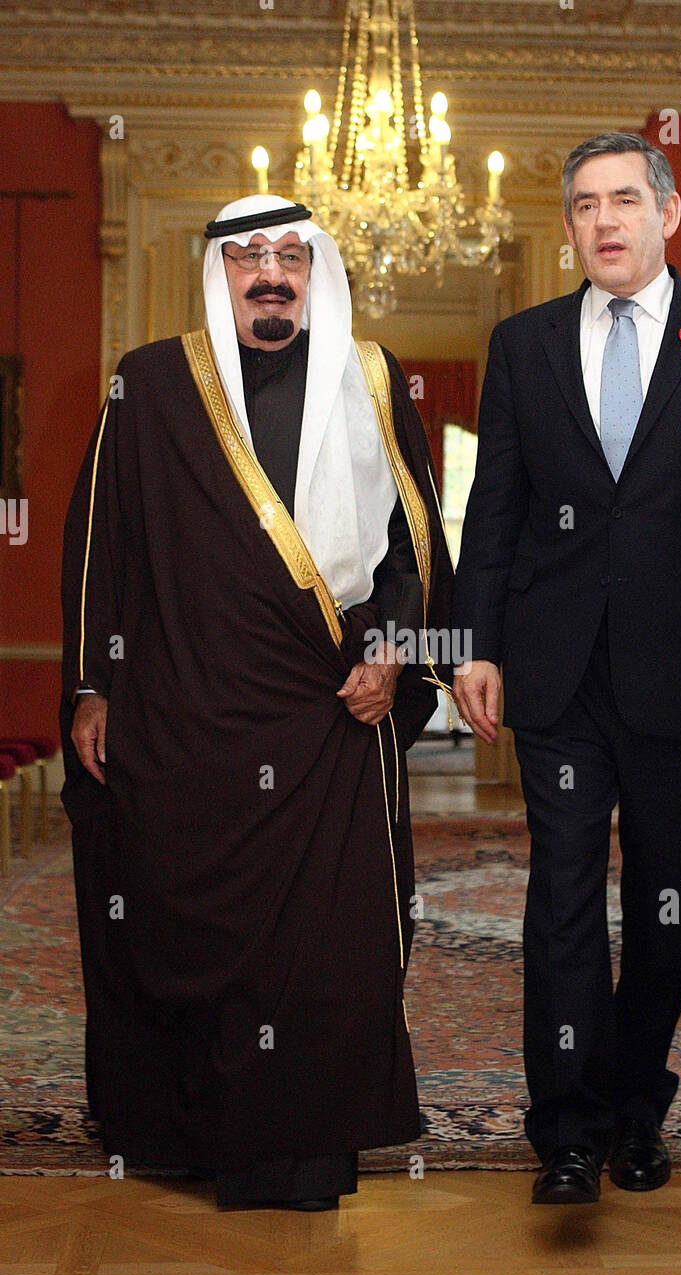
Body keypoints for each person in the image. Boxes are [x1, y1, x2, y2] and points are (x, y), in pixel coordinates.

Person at [61, 194, 453, 1211]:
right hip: (185, 711)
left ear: (315, 270)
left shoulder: (370, 381)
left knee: (329, 949)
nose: (270, 273)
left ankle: (308, 1149)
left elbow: (412, 553)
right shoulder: (146, 385)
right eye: (249, 258)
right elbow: (104, 545)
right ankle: (190, 1135)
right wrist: (91, 683)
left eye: (289, 255)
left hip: (332, 712)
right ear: (217, 273)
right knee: (185, 921)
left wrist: (393, 651)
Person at [452, 133, 681, 1205]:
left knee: (664, 900)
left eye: (621, 199)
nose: (601, 220)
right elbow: (495, 509)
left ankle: (632, 1109)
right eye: (580, 205)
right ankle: (563, 1126)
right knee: (558, 895)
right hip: (556, 670)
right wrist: (474, 641)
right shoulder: (520, 346)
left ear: (667, 211)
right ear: (564, 226)